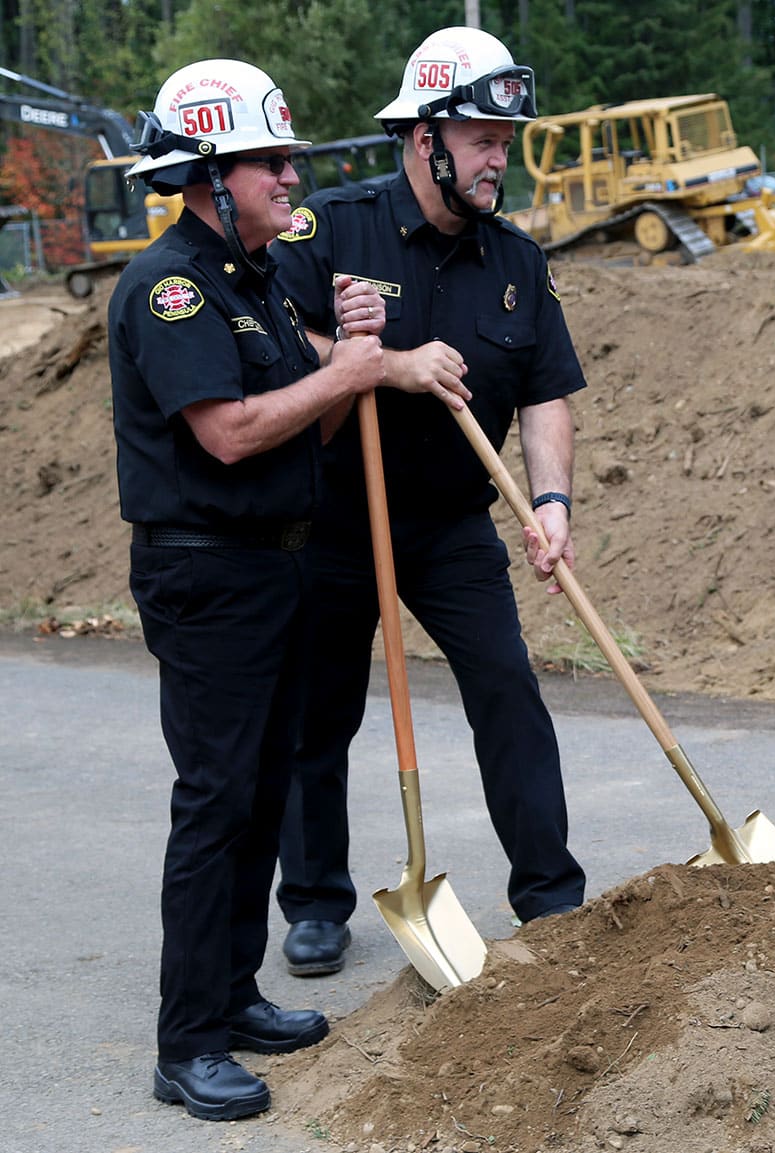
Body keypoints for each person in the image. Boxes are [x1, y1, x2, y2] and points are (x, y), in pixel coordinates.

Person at [271, 25, 587, 977]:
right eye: (486, 139)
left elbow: (544, 391)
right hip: (331, 517)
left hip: (451, 524)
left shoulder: (516, 262)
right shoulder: (329, 230)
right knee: (318, 712)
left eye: (507, 139)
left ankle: (550, 894)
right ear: (426, 139)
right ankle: (317, 902)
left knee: (508, 690)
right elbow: (278, 351)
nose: (501, 158)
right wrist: (388, 365)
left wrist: (553, 500)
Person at [109, 58, 390, 1121]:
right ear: (206, 177)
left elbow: (307, 415)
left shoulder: (257, 282)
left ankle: (231, 997)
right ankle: (185, 1045)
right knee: (217, 802)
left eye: (289, 158)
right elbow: (226, 435)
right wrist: (346, 373)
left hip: (276, 564)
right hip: (207, 571)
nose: (290, 176)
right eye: (268, 161)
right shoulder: (171, 287)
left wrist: (348, 347)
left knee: (266, 789)